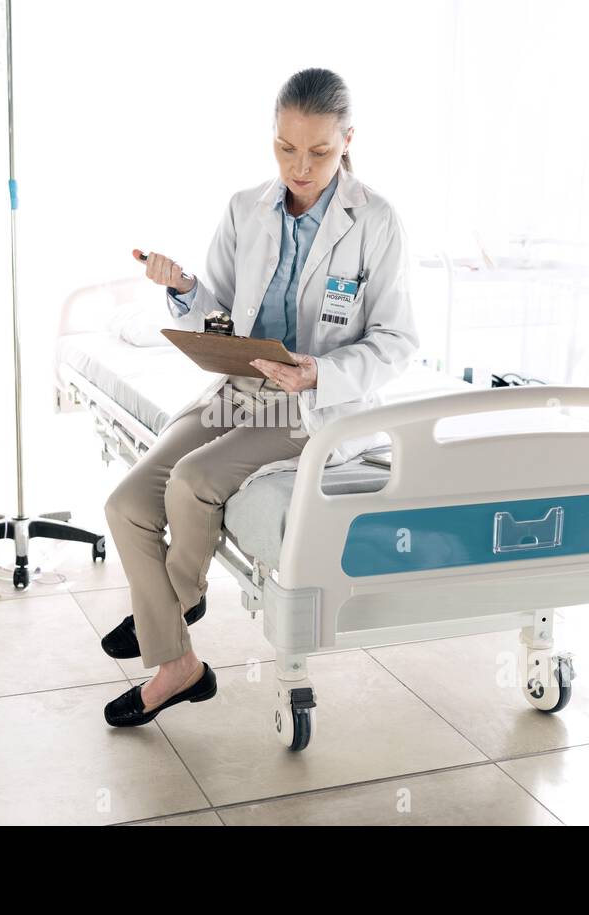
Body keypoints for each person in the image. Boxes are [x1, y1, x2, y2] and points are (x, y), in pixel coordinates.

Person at [102, 67, 419, 727]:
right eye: (286, 148)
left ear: (348, 140)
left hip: (312, 405)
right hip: (238, 385)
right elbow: (217, 315)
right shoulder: (246, 208)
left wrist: (317, 373)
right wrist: (186, 287)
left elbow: (397, 342)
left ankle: (172, 621)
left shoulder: (377, 221)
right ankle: (181, 655)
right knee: (126, 502)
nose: (300, 166)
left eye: (320, 151)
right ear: (272, 137)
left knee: (192, 480)